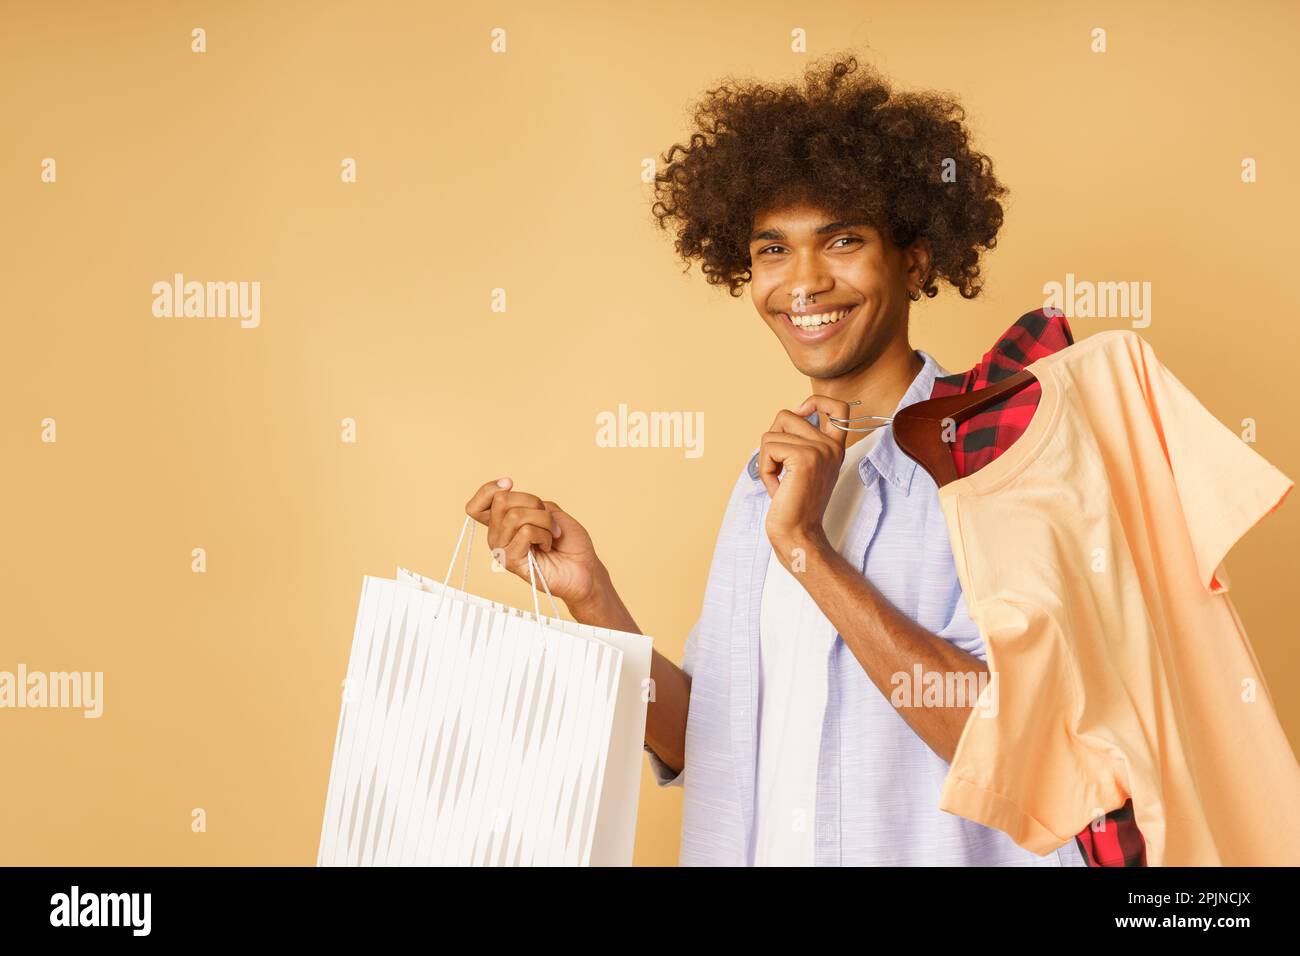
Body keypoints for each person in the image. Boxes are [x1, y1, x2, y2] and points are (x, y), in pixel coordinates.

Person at [464, 53, 1085, 867]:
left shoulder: (1001, 453)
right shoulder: (761, 480)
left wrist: (807, 551)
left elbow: (1013, 750)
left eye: (844, 241)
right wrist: (594, 598)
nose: (804, 282)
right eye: (773, 251)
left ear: (917, 259)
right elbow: (712, 741)